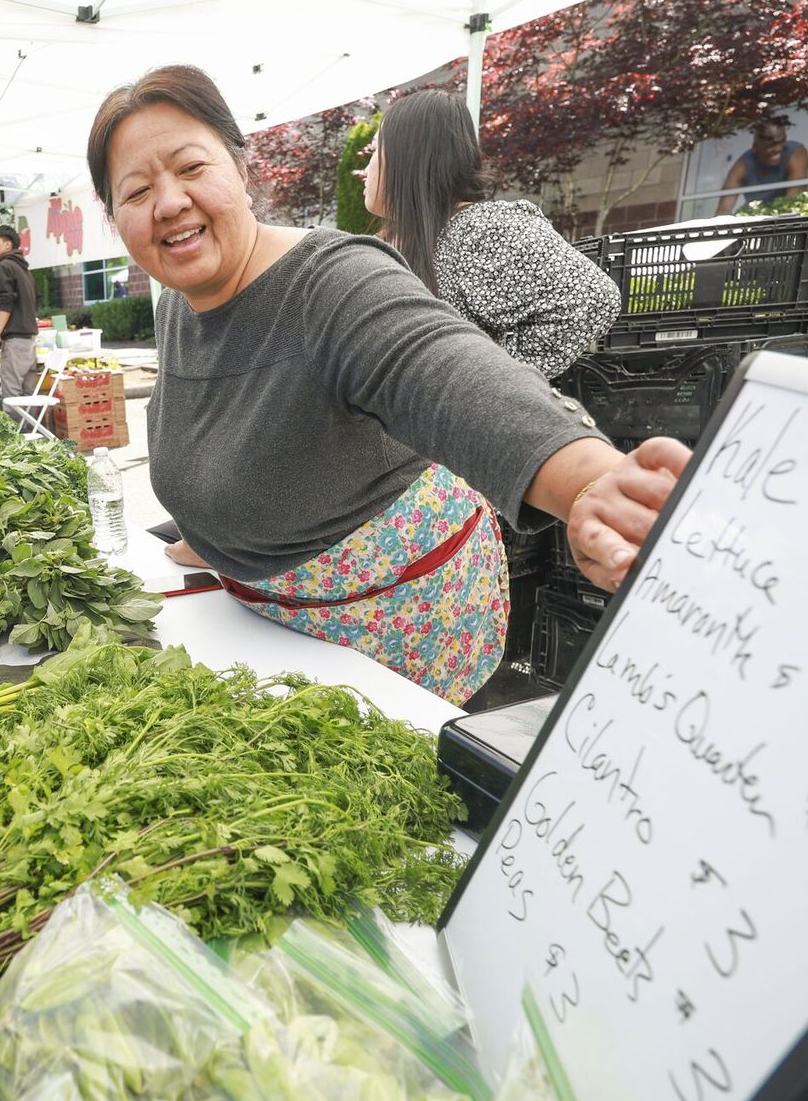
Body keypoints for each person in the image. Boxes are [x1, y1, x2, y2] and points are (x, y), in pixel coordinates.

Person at [87, 65, 687, 703]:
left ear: (241, 169)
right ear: (116, 216)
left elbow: (447, 372)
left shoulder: (334, 282)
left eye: (190, 168)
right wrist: (216, 539)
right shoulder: (177, 304)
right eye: (136, 190)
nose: (170, 202)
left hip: (394, 631)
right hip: (270, 630)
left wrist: (590, 483)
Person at [363, 89, 619, 380]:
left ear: (406, 159)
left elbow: (589, 298)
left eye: (375, 150)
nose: (365, 169)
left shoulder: (481, 229)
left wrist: (487, 383)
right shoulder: (404, 238)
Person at [716, 115, 808, 214]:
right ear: (755, 147)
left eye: (781, 142)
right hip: (755, 217)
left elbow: (795, 195)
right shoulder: (743, 165)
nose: (778, 149)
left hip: (784, 216)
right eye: (771, 145)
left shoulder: (795, 153)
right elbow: (724, 207)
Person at [0, 225, 41, 398]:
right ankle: (28, 426)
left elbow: (6, 302)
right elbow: (36, 299)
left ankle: (15, 426)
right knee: (28, 393)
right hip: (30, 339)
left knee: (11, 394)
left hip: (15, 340)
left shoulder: (4, 266)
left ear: (7, 245)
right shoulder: (25, 269)